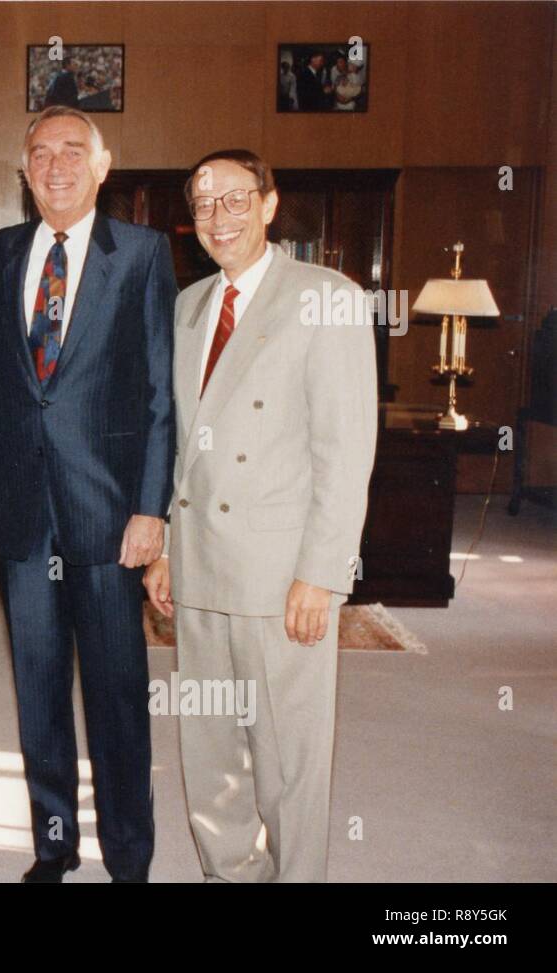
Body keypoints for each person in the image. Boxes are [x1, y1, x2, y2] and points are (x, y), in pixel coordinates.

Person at [144, 149, 377, 882]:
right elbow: (186, 450)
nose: (220, 217)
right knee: (211, 755)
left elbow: (345, 449)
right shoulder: (187, 307)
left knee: (287, 762)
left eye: (236, 199)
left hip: (281, 579)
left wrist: (322, 573)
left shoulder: (326, 295)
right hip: (204, 569)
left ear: (270, 204)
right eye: (204, 204)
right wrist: (170, 549)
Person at [0, 105, 176, 883]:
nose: (55, 166)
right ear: (24, 171)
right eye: (40, 154)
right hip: (23, 512)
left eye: (70, 152)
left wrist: (151, 507)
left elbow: (160, 390)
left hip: (109, 515)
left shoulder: (143, 255)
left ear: (102, 164)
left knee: (118, 698)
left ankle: (129, 857)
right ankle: (54, 845)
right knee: (39, 691)